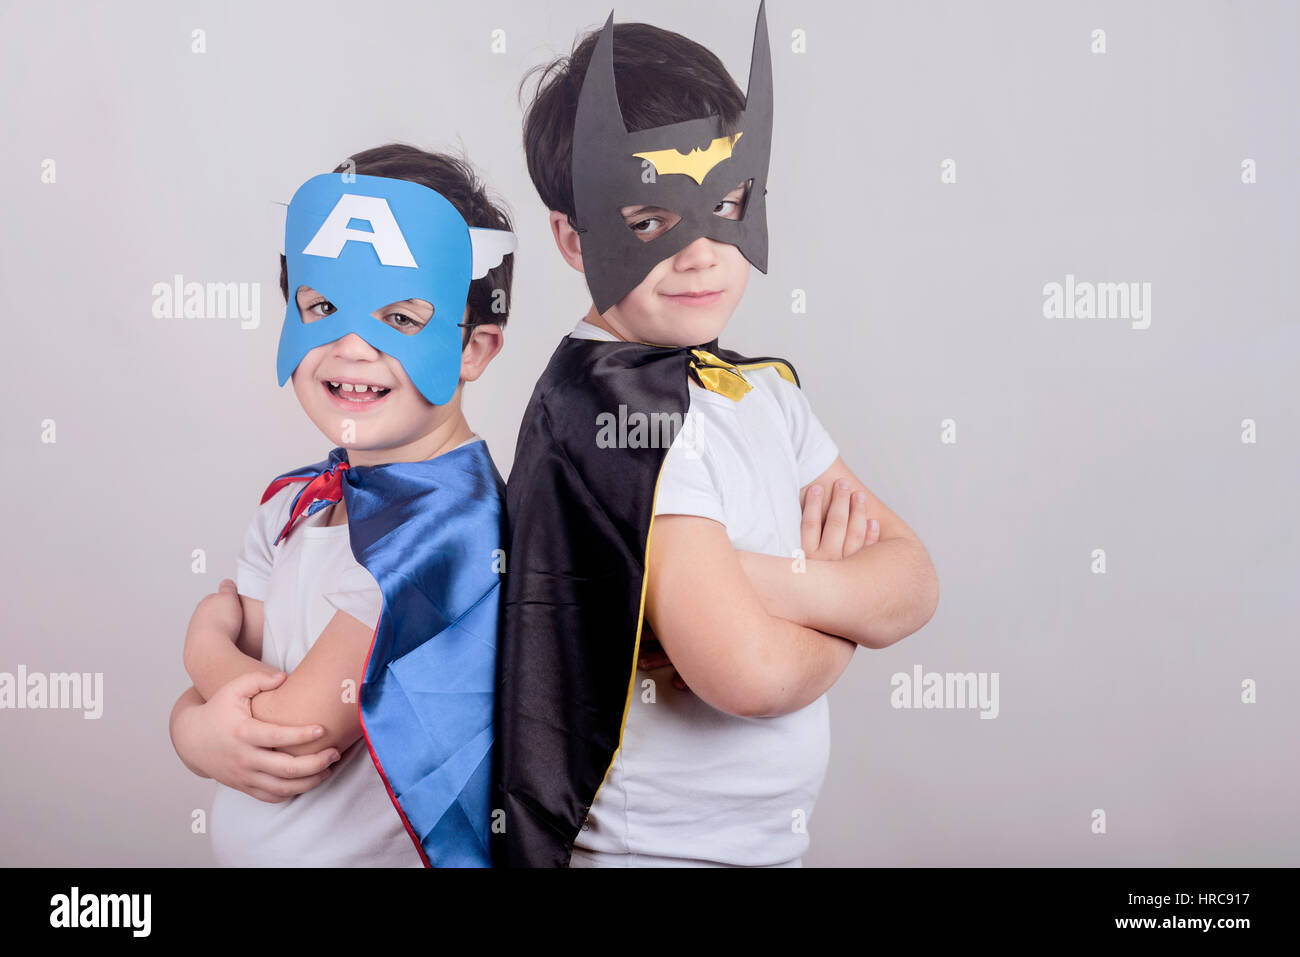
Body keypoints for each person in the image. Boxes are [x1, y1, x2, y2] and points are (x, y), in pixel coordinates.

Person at [493, 3, 939, 867]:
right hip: (643, 854)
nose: (701, 254)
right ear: (572, 236)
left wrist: (754, 581)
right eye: (652, 223)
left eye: (727, 203)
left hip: (762, 850)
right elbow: (752, 673)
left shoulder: (755, 390)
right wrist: (852, 611)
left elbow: (914, 581)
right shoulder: (613, 417)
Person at [168, 143, 516, 867]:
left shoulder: (446, 529)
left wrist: (199, 650)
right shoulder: (294, 504)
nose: (352, 346)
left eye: (400, 317)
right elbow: (259, 684)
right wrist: (193, 730)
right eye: (324, 307)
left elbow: (293, 730)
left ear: (475, 348)